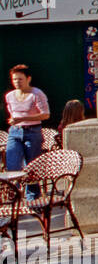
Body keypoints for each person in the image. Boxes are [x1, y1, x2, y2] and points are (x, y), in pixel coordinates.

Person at [6, 66, 49, 200]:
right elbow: (12, 113)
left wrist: (24, 118)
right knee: (12, 163)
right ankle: (14, 196)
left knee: (31, 166)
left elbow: (45, 115)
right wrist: (14, 121)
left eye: (20, 79)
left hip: (33, 131)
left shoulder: (36, 94)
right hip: (15, 132)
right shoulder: (9, 96)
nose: (17, 82)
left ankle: (33, 197)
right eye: (14, 79)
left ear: (28, 79)